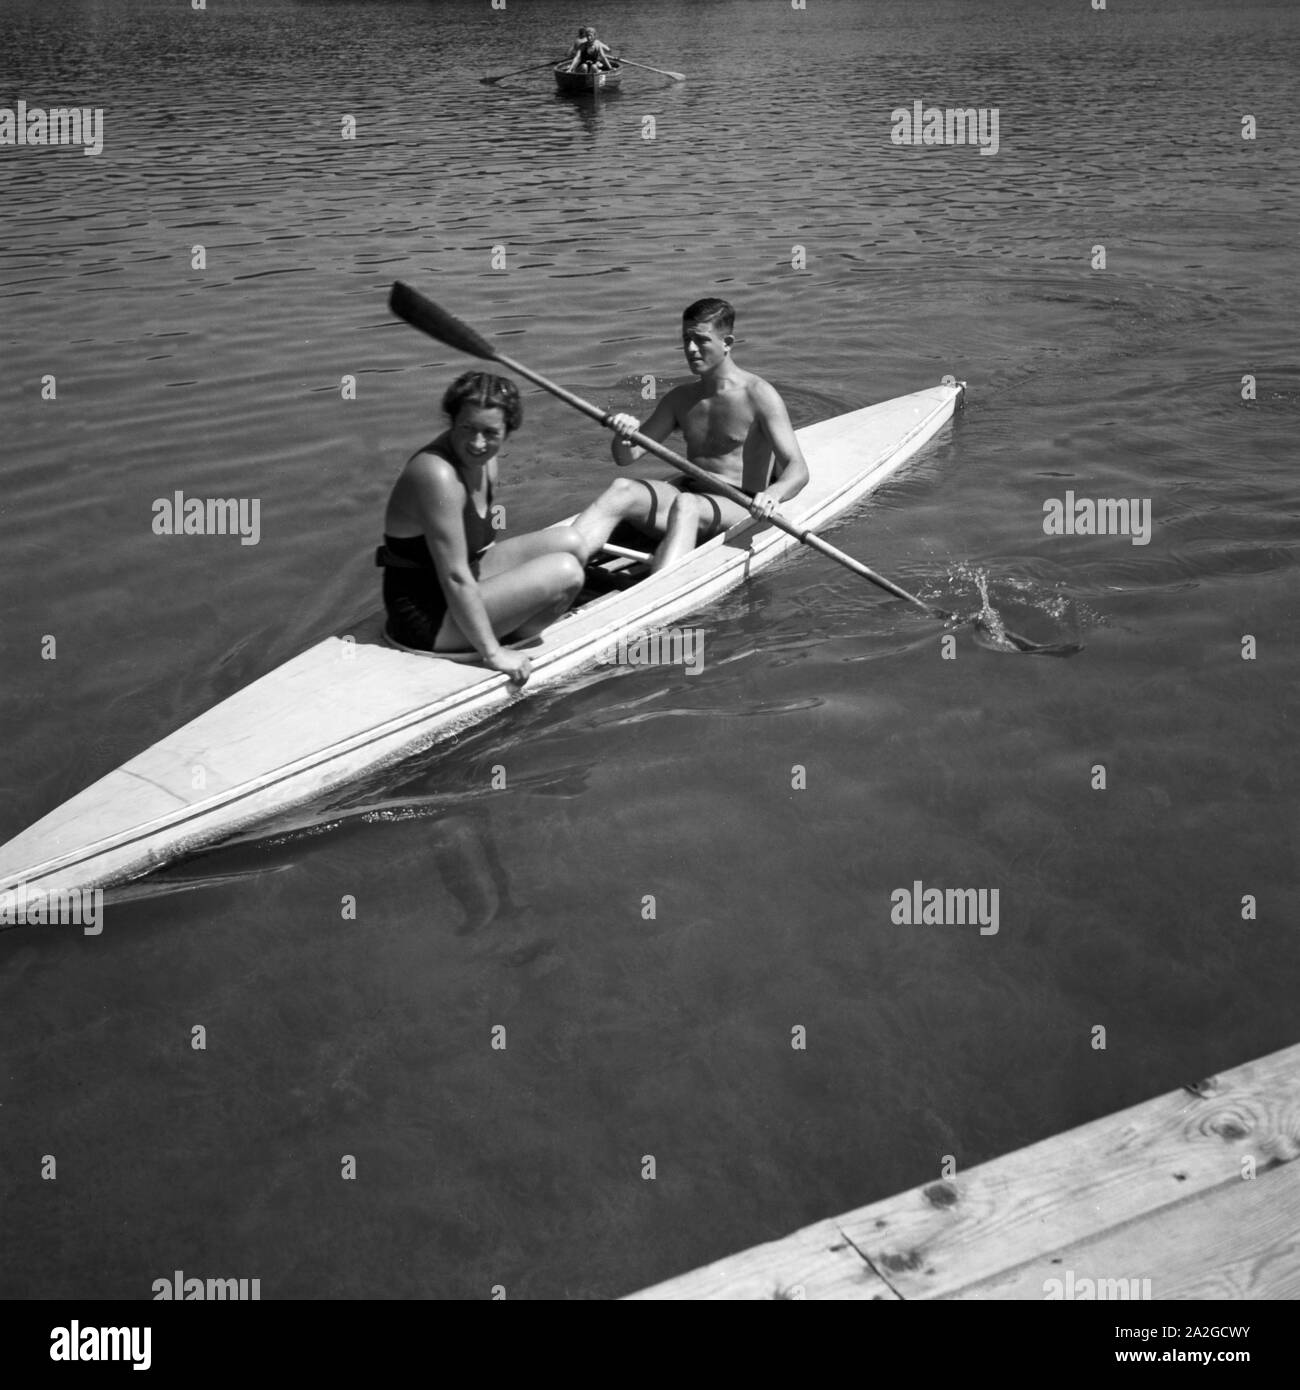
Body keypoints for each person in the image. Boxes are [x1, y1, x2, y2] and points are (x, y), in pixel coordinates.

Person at [377, 372, 586, 686]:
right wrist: (493, 654)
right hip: (426, 618)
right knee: (567, 572)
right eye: (467, 428)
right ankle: (498, 641)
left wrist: (514, 591)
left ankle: (505, 623)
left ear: (507, 431)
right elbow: (455, 576)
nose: (477, 443)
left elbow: (480, 548)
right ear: (452, 421)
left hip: (460, 584)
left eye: (490, 433)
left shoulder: (486, 462)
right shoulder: (436, 474)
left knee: (573, 543)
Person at [573, 299, 810, 573]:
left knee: (687, 505)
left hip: (741, 505)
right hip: (690, 492)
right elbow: (626, 457)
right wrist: (623, 435)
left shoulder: (759, 395)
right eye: (686, 339)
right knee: (621, 489)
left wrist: (773, 494)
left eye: (701, 340)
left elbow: (798, 468)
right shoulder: (680, 399)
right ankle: (560, 565)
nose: (690, 349)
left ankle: (657, 592)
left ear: (727, 343)